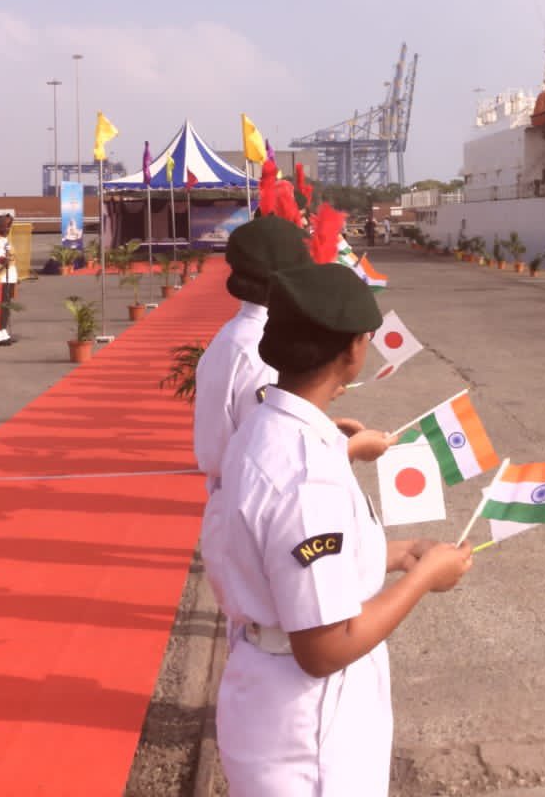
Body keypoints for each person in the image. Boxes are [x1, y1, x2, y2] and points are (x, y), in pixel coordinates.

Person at [201, 263, 472, 795]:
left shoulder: (262, 423)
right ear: (352, 351)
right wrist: (422, 580)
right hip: (310, 736)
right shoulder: (308, 479)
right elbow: (324, 649)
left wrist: (396, 554)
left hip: (264, 696)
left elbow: (279, 553)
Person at [196, 219, 393, 493]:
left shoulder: (235, 333)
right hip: (253, 492)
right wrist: (352, 448)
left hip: (239, 487)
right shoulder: (259, 349)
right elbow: (272, 454)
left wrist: (325, 427)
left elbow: (263, 425)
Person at [0, 213, 18, 346]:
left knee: (5, 306)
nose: (8, 229)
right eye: (6, 226)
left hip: (9, 276)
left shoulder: (5, 240)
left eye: (9, 226)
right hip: (0, 276)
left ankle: (3, 332)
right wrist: (3, 259)